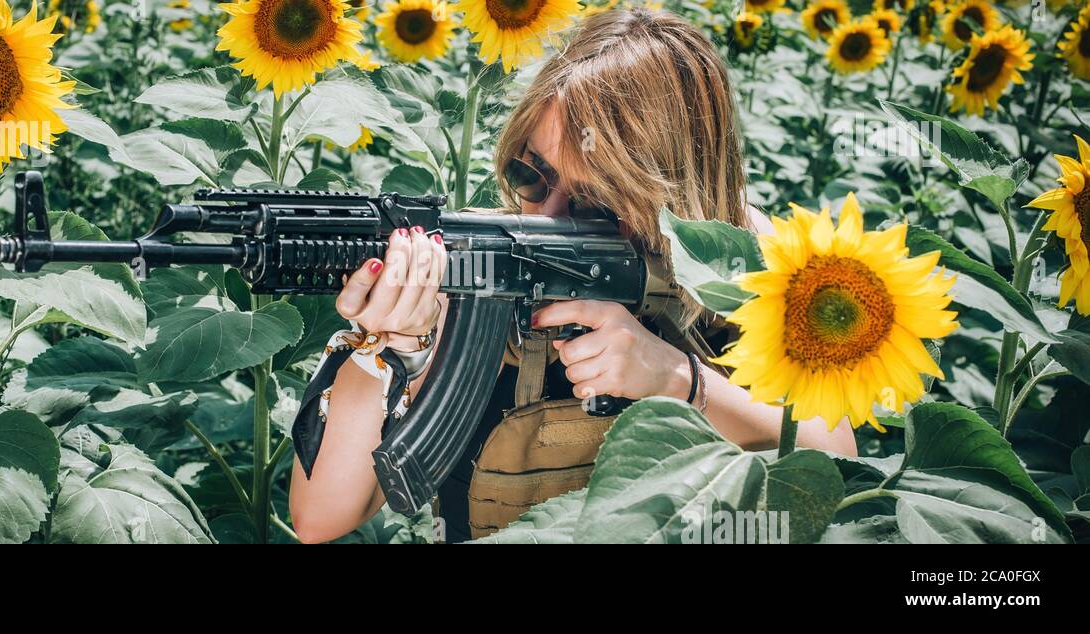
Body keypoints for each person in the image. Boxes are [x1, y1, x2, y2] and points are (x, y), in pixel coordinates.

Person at [289, 7, 857, 544]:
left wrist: (677, 379)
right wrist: (384, 349)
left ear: (678, 194)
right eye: (530, 174)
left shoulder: (749, 269)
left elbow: (839, 464)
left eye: (596, 203)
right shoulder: (471, 264)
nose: (548, 217)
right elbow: (319, 519)